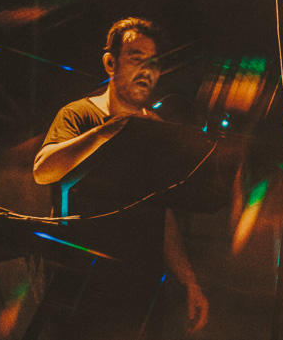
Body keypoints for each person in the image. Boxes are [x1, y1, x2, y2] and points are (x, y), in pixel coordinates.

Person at [33, 17, 209, 339]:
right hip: (83, 289)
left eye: (154, 64)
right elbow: (43, 169)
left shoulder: (157, 129)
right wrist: (107, 131)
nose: (147, 71)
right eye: (136, 58)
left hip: (141, 289)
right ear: (110, 63)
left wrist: (189, 280)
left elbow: (163, 214)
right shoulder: (79, 115)